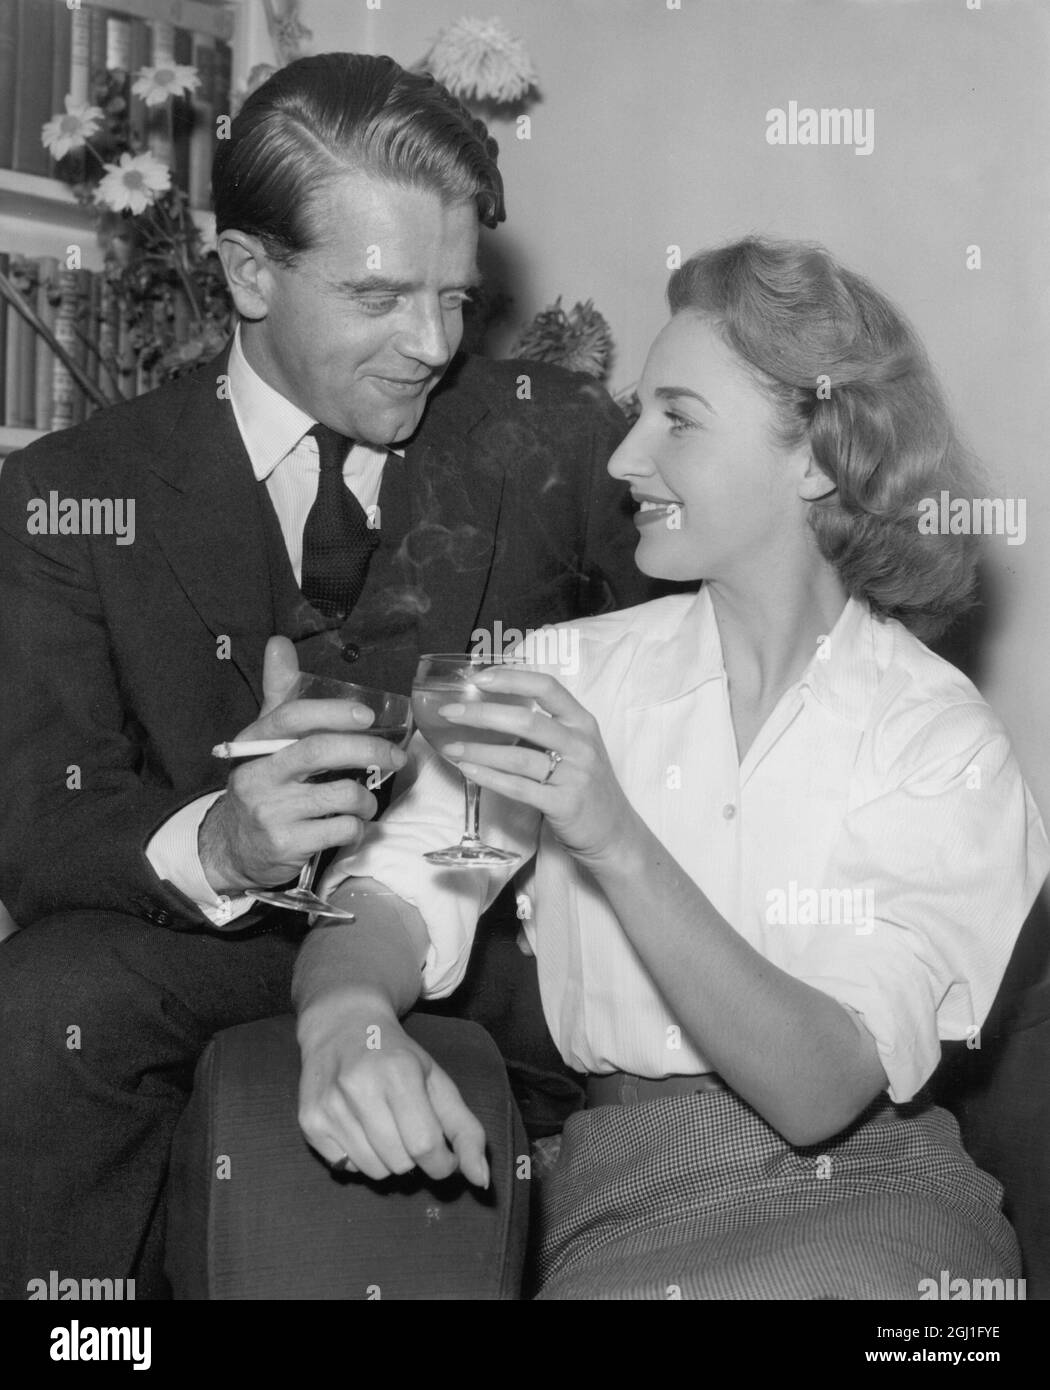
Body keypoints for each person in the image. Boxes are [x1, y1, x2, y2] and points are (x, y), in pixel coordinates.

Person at [0, 53, 653, 1299]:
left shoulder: (556, 436)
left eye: (456, 297)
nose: (433, 344)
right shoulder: (70, 495)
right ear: (249, 271)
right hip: (224, 945)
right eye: (379, 295)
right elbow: (39, 827)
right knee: (40, 1006)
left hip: (496, 949)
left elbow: (717, 669)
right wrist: (229, 843)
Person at [299, 236, 1050, 1299]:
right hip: (615, 1200)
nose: (622, 458)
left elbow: (817, 1087)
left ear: (817, 456)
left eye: (678, 419)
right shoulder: (563, 673)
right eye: (638, 410)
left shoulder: (937, 738)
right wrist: (345, 1015)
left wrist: (615, 835)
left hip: (882, 1204)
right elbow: (392, 891)